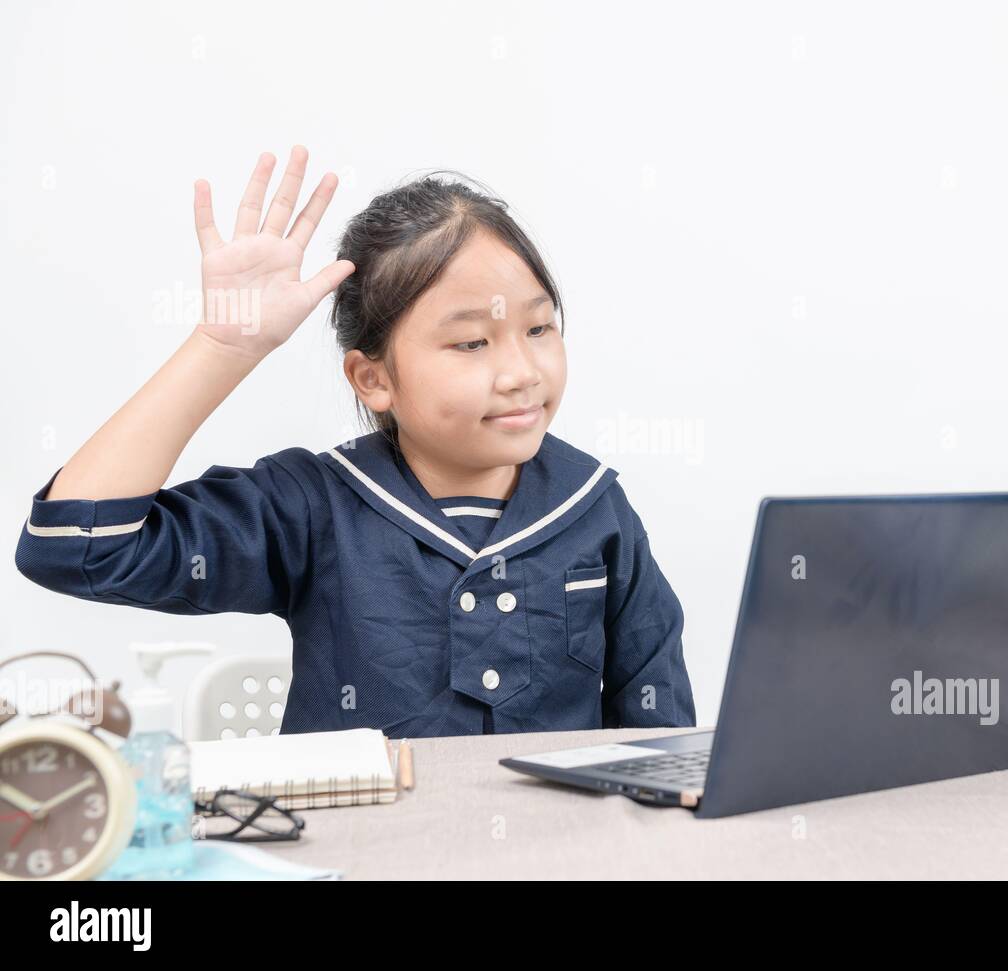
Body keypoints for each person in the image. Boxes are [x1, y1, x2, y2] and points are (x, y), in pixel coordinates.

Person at [14, 146, 697, 738]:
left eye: (540, 329)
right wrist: (220, 347)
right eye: (471, 342)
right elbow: (74, 547)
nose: (521, 372)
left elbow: (661, 745)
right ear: (374, 379)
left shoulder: (596, 508)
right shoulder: (313, 508)